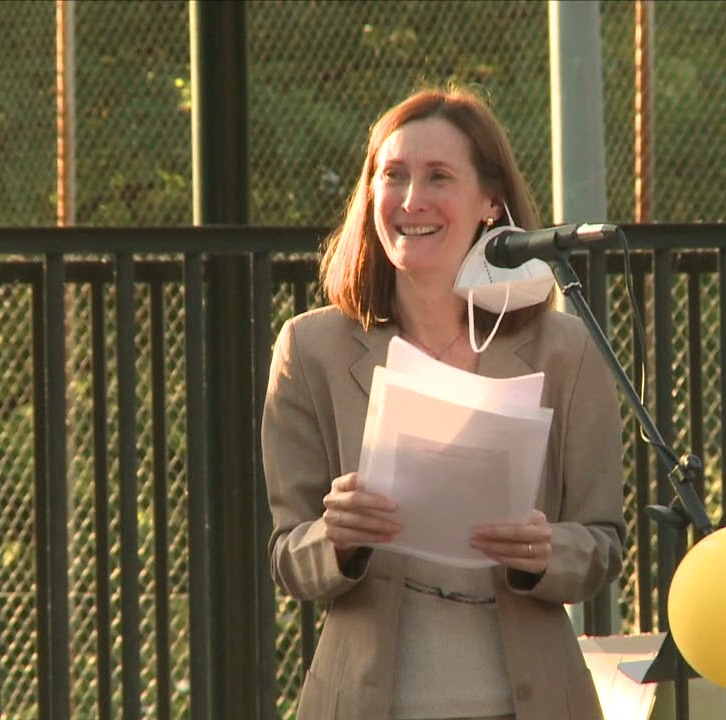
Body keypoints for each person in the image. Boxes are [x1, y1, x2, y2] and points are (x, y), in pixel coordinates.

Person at [261, 84, 626, 720]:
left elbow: (602, 543)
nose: (411, 201)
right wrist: (337, 538)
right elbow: (289, 556)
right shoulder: (309, 348)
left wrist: (546, 552)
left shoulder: (568, 349)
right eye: (392, 175)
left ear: (490, 201)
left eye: (438, 177)